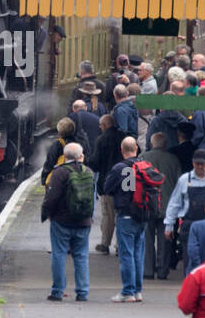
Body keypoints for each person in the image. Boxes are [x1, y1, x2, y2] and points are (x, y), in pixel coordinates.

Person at [41, 141, 94, 301]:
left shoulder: (60, 173)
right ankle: (83, 292)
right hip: (83, 221)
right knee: (81, 256)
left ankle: (57, 291)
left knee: (59, 254)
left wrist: (47, 214)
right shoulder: (89, 172)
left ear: (64, 156)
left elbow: (52, 197)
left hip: (61, 221)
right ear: (81, 155)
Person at [102, 136, 149, 302]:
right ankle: (137, 290)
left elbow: (106, 188)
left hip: (125, 215)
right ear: (136, 149)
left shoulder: (119, 168)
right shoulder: (145, 167)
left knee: (126, 254)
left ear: (122, 150)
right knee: (138, 253)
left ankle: (128, 291)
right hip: (142, 215)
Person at [140, 131, 180, 281]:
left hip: (147, 204)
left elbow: (135, 181)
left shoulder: (143, 158)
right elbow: (178, 184)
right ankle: (163, 271)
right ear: (165, 144)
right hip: (167, 206)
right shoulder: (173, 160)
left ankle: (148, 270)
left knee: (147, 239)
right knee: (165, 240)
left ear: (151, 144)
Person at [89, 112, 124, 254]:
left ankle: (105, 244)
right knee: (122, 214)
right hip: (126, 182)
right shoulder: (124, 137)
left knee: (108, 215)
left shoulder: (101, 140)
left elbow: (95, 163)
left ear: (104, 125)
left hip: (107, 182)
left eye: (100, 126)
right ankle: (119, 246)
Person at [149, 79, 193, 150]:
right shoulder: (183, 119)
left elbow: (149, 140)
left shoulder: (156, 121)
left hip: (161, 154)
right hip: (178, 155)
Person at [41, 116, 81, 184]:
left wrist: (44, 178)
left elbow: (50, 163)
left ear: (60, 131)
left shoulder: (57, 145)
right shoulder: (78, 143)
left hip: (60, 178)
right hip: (76, 177)